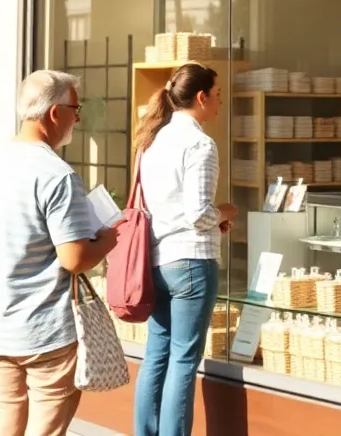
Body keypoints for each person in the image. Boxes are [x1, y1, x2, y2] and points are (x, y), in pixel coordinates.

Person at [0, 71, 117, 436]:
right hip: (44, 326)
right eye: (76, 110)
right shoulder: (56, 174)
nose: (77, 119)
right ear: (55, 112)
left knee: (3, 421)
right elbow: (74, 259)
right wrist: (108, 239)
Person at [133, 62, 237, 436]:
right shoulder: (200, 144)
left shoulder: (153, 140)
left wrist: (211, 216)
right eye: (218, 95)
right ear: (201, 97)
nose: (220, 103)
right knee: (183, 359)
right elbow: (198, 215)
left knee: (157, 354)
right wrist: (226, 211)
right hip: (192, 260)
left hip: (158, 258)